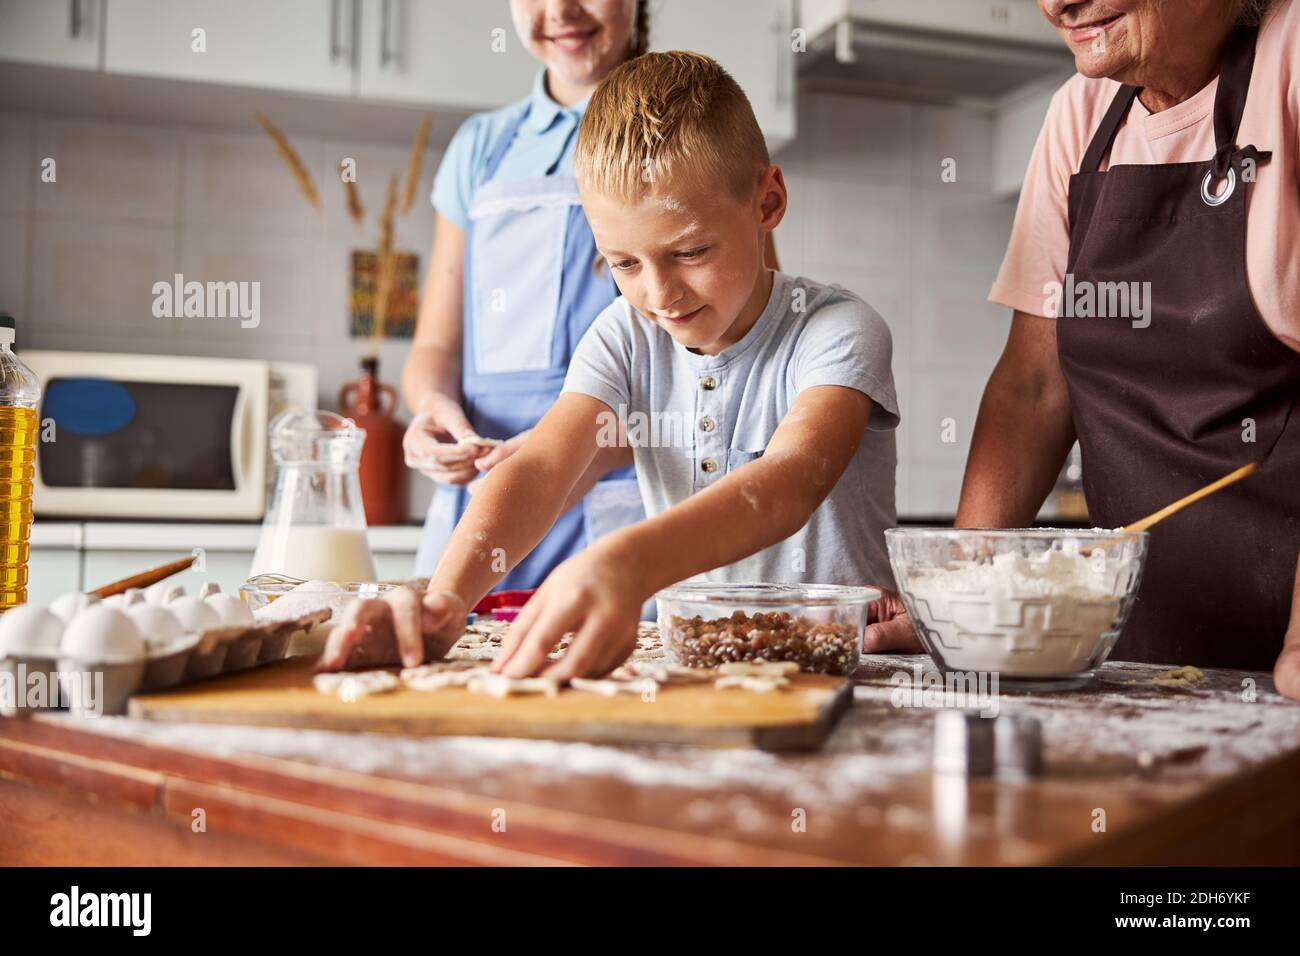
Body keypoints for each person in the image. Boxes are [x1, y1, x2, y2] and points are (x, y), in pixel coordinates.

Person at [322, 52, 900, 678]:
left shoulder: (838, 329)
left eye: (690, 251)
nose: (660, 294)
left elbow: (791, 481)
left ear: (767, 203)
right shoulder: (627, 336)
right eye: (623, 263)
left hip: (852, 666)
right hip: (704, 670)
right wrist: (446, 602)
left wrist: (627, 561)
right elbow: (544, 467)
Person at [925, 0, 1299, 699]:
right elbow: (1033, 386)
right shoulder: (1082, 113)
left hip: (1284, 659)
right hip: (1135, 664)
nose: (1057, 3)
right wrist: (956, 602)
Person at [402, 0, 651, 591]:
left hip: (625, 512)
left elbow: (736, 363)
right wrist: (432, 414)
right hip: (480, 505)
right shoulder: (481, 147)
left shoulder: (688, 131)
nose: (561, 10)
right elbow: (435, 343)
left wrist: (569, 456)